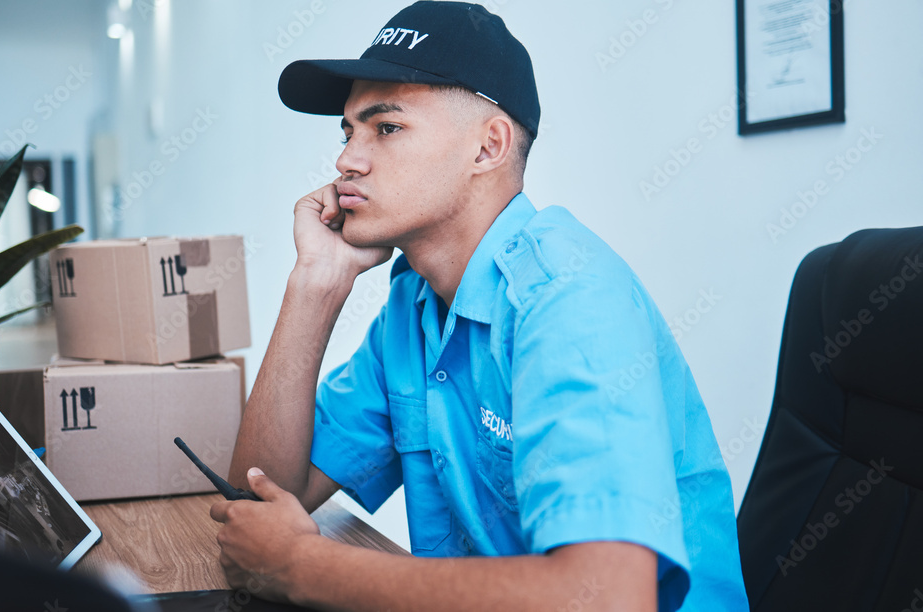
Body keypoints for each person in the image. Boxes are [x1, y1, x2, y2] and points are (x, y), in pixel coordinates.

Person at [214, 2, 749, 611]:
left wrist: (303, 567)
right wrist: (316, 283)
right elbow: (263, 498)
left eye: (385, 128)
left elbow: (608, 598)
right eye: (348, 132)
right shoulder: (413, 303)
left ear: (487, 147)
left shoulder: (569, 300)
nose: (346, 161)